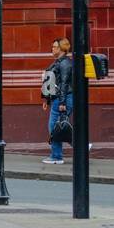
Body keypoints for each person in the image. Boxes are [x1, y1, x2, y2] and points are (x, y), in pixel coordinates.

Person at [41, 36, 73, 164]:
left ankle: (56, 156)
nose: (52, 48)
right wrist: (47, 100)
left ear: (62, 48)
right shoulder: (58, 61)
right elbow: (52, 82)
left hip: (63, 99)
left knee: (54, 127)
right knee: (59, 126)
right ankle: (81, 146)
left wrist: (62, 103)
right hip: (58, 99)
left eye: (54, 46)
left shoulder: (65, 63)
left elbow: (64, 84)